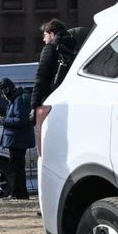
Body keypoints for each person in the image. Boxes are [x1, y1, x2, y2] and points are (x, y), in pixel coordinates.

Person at [33, 18, 80, 148]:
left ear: (52, 33)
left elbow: (41, 78)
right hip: (71, 101)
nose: (44, 40)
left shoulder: (50, 49)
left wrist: (34, 105)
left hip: (52, 100)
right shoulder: (75, 47)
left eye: (45, 35)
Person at [0, 78, 35, 200]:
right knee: (18, 167)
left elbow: (20, 119)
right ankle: (20, 193)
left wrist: (3, 121)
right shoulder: (16, 98)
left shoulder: (18, 100)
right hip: (18, 139)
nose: (2, 96)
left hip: (17, 139)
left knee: (15, 168)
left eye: (1, 92)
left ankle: (17, 193)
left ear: (7, 89)